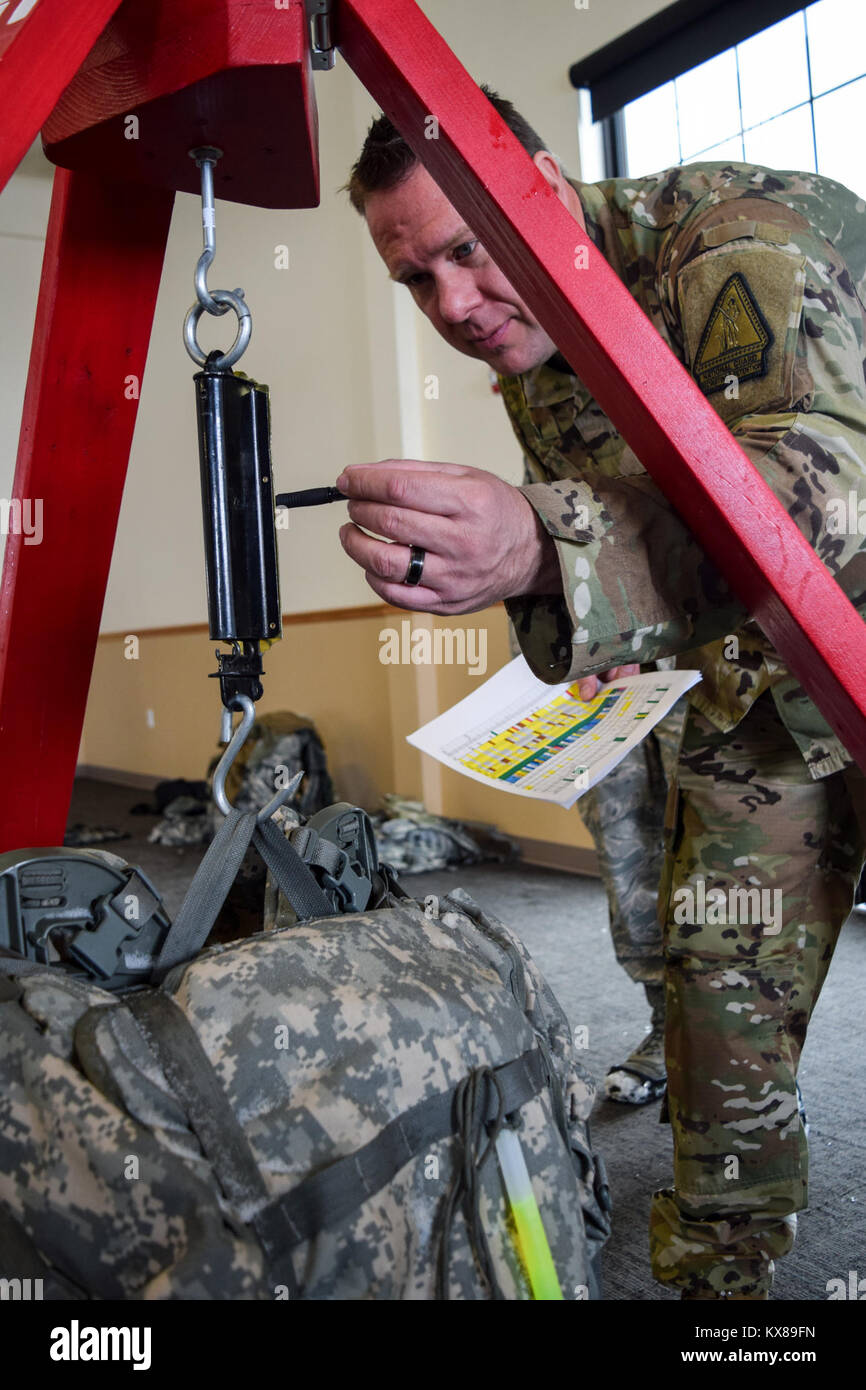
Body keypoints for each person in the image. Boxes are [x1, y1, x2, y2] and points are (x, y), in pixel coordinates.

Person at [338, 89, 866, 1299]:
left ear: (538, 180)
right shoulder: (532, 334)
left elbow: (819, 495)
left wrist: (540, 551)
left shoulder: (732, 240)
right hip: (761, 665)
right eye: (415, 280)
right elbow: (628, 522)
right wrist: (608, 621)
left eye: (468, 249)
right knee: (715, 972)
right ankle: (716, 1291)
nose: (454, 307)